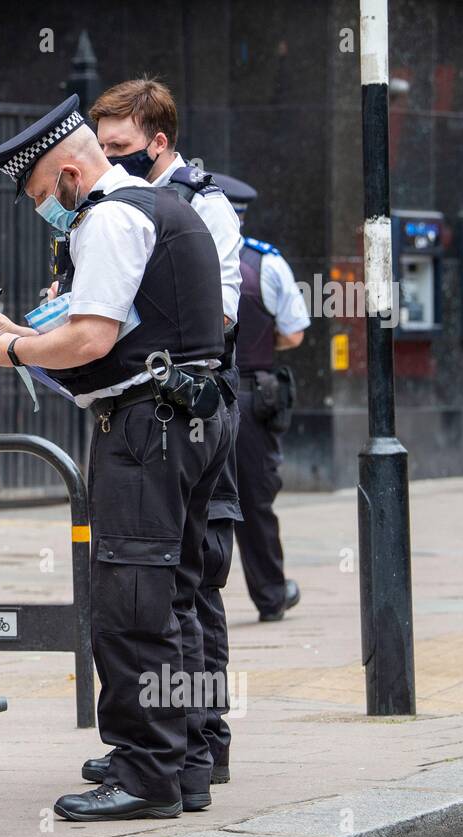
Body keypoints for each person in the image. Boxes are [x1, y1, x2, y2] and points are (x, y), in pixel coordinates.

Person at [0, 94, 230, 821]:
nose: (41, 212)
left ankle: (144, 776)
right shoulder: (152, 209)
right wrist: (25, 331)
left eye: (38, 196)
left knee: (131, 607)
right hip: (186, 419)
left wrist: (11, 349)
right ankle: (181, 766)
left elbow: (89, 340)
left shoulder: (112, 217)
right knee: (175, 602)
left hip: (146, 432)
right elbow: (120, 334)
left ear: (68, 173)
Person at [82, 77, 243, 790]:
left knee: (192, 586)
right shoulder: (125, 207)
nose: (111, 161)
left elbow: (221, 316)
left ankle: (202, 744)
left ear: (160, 141)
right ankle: (183, 752)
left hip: (190, 406)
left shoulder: (203, 206)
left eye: (121, 148)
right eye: (103, 147)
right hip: (165, 407)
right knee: (175, 586)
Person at [212, 174, 311, 623]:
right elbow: (293, 332)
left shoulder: (179, 254)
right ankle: (271, 596)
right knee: (255, 502)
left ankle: (190, 601)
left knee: (198, 501)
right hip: (251, 396)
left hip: (193, 396)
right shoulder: (266, 262)